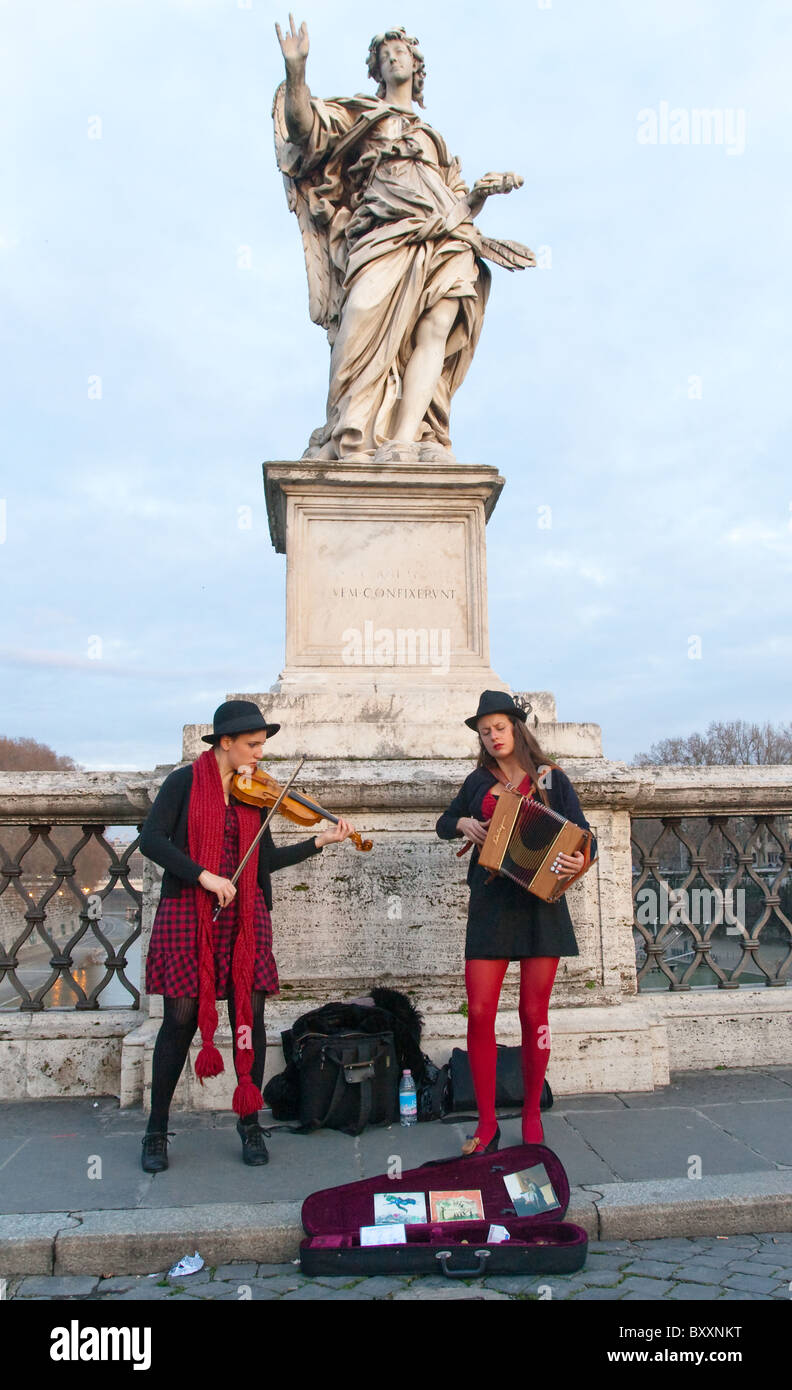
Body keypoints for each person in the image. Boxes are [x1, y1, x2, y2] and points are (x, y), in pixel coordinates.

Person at [273, 19, 532, 462]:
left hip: (448, 238)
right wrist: (296, 71)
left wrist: (479, 194)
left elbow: (456, 200)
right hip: (383, 233)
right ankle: (349, 432)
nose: (394, 57)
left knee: (434, 330)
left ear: (416, 65)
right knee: (359, 317)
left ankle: (407, 440)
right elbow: (303, 131)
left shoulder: (435, 140)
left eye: (401, 52)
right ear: (376, 70)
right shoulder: (359, 116)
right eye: (385, 54)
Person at [138, 699, 353, 1172]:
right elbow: (151, 840)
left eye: (262, 745)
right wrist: (204, 877)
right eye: (253, 745)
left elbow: (266, 861)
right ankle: (156, 1130)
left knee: (248, 1017)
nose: (260, 753)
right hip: (188, 912)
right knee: (179, 1018)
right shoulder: (184, 783)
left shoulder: (254, 793)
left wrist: (321, 841)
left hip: (245, 918)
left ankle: (249, 1123)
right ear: (225, 742)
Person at [435, 691, 597, 1155]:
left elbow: (586, 838)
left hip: (540, 909)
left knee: (532, 1014)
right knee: (482, 1013)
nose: (492, 736)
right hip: (491, 903)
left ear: (516, 728)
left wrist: (576, 861)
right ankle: (486, 1124)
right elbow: (444, 823)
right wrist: (464, 823)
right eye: (485, 731)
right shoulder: (476, 781)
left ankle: (529, 1113)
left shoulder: (551, 778)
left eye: (499, 728)